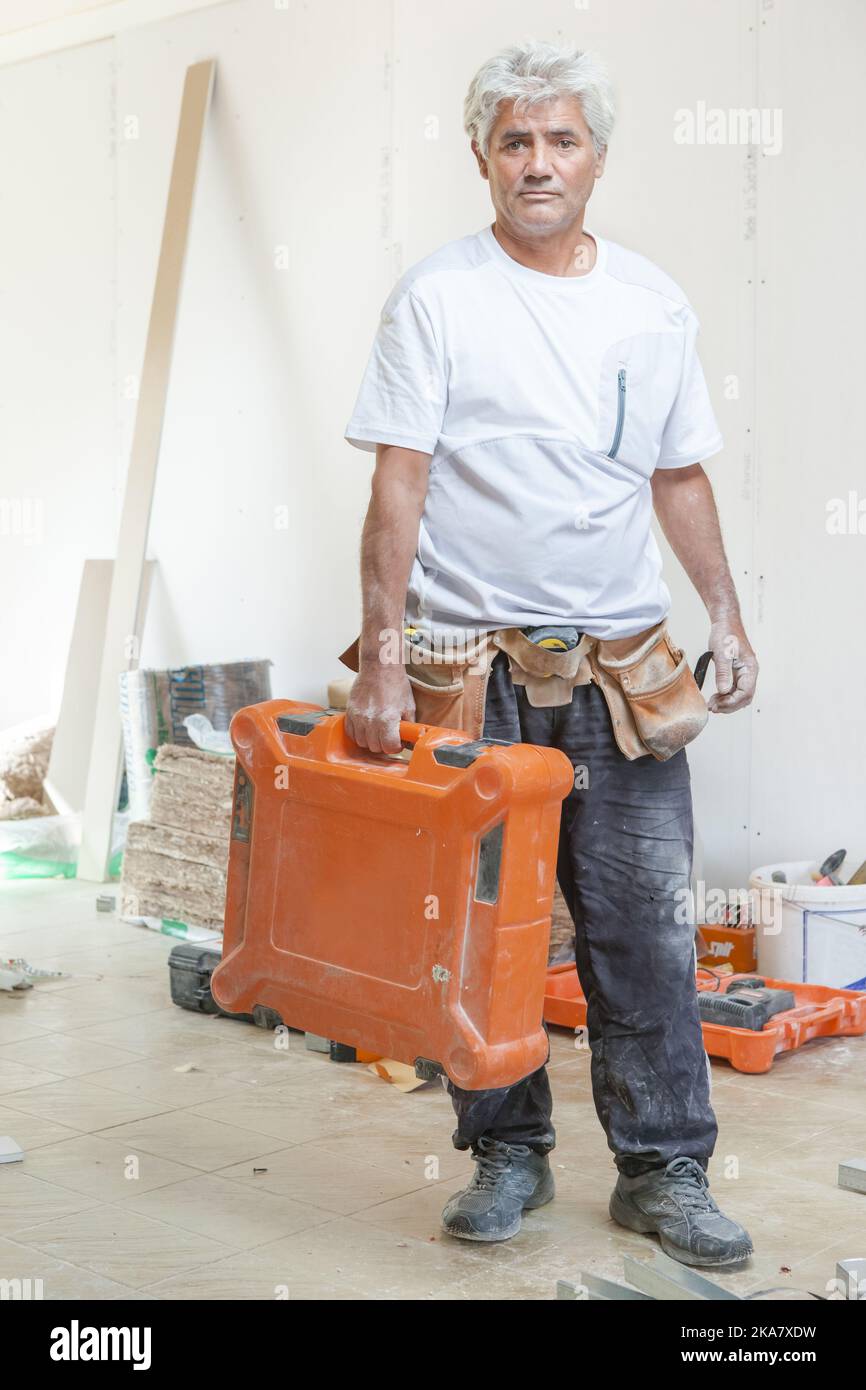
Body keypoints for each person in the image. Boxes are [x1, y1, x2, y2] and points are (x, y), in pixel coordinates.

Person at [341, 39, 758, 1268]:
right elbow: (397, 486)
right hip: (464, 669)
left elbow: (676, 474)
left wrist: (725, 614)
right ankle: (505, 1154)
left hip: (620, 670)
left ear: (596, 156)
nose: (537, 163)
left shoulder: (648, 302)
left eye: (560, 139)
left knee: (643, 928)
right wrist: (376, 658)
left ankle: (664, 1169)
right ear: (479, 155)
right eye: (514, 140)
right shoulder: (436, 297)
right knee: (481, 928)